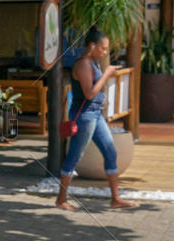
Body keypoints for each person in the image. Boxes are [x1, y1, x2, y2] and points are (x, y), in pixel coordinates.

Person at [56, 27, 133, 210]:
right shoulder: (83, 64)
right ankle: (61, 199)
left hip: (96, 115)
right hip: (85, 117)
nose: (105, 52)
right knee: (75, 155)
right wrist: (107, 74)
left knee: (110, 152)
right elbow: (89, 93)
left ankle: (115, 199)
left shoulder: (92, 62)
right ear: (92, 46)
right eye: (103, 48)